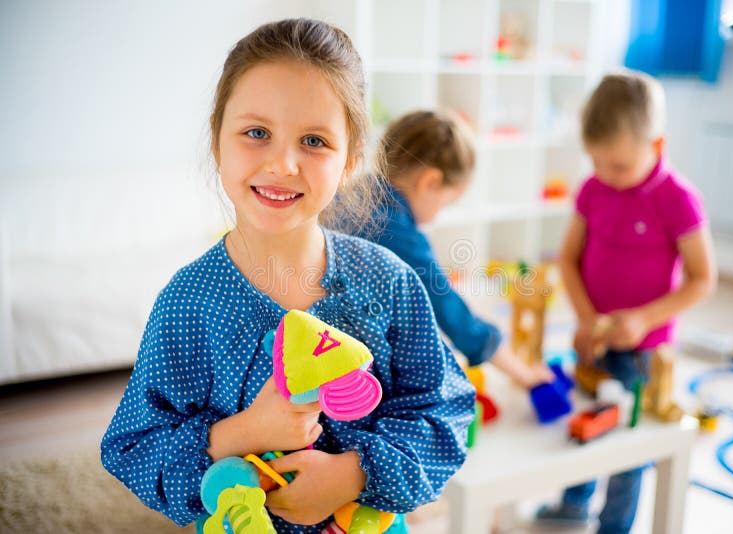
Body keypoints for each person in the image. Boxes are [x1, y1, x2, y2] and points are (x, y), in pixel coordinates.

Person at [100, 19, 475, 533]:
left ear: (350, 161)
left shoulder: (389, 281)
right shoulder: (188, 301)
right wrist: (240, 433)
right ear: (217, 141)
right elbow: (133, 445)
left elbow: (446, 410)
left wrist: (353, 474)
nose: (282, 163)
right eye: (257, 133)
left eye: (314, 141)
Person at [536, 71, 717, 533]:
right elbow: (568, 260)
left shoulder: (679, 201)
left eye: (618, 166)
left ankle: (613, 526)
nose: (606, 176)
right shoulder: (594, 189)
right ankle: (574, 502)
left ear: (657, 145)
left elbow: (702, 279)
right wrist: (584, 317)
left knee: (625, 444)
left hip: (643, 350)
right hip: (593, 335)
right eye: (597, 162)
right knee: (583, 420)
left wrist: (643, 319)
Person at [353, 110, 554, 389]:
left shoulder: (355, 193)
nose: (437, 215)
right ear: (430, 182)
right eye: (447, 202)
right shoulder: (397, 233)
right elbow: (451, 313)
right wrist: (523, 373)